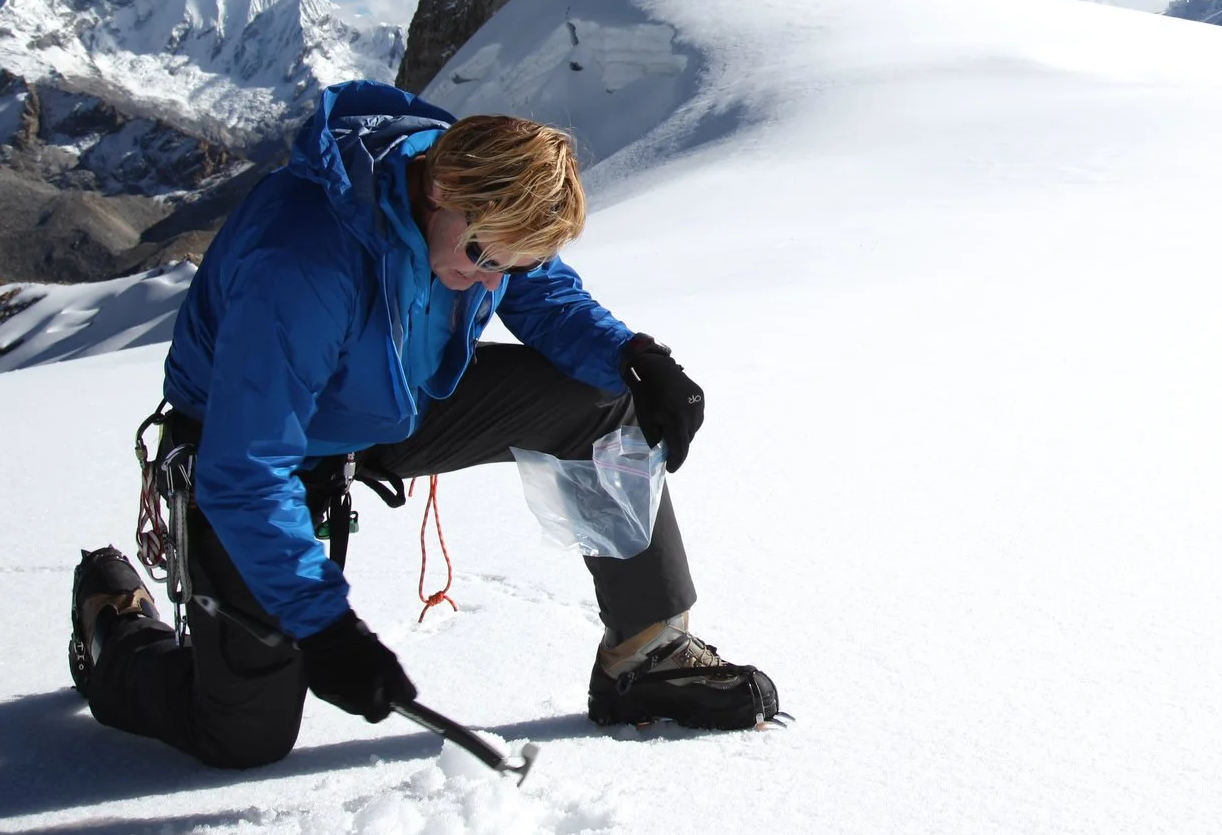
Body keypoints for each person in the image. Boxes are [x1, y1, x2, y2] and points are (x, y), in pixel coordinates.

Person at [66, 80, 776, 769]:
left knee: (604, 397)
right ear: (438, 190)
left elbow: (536, 286)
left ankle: (645, 655)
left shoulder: (476, 202)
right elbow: (246, 466)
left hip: (389, 399)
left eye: (508, 263)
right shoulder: (306, 257)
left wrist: (633, 356)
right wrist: (325, 624)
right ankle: (113, 624)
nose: (489, 281)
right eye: (481, 258)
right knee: (242, 733)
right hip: (253, 444)